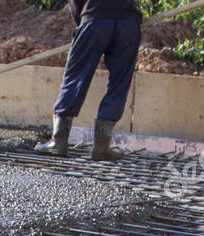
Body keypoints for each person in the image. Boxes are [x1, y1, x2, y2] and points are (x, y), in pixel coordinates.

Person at [36, 0, 143, 161]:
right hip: (128, 21)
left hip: (95, 17)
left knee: (76, 77)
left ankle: (59, 141)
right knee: (119, 83)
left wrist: (83, 21)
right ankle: (101, 147)